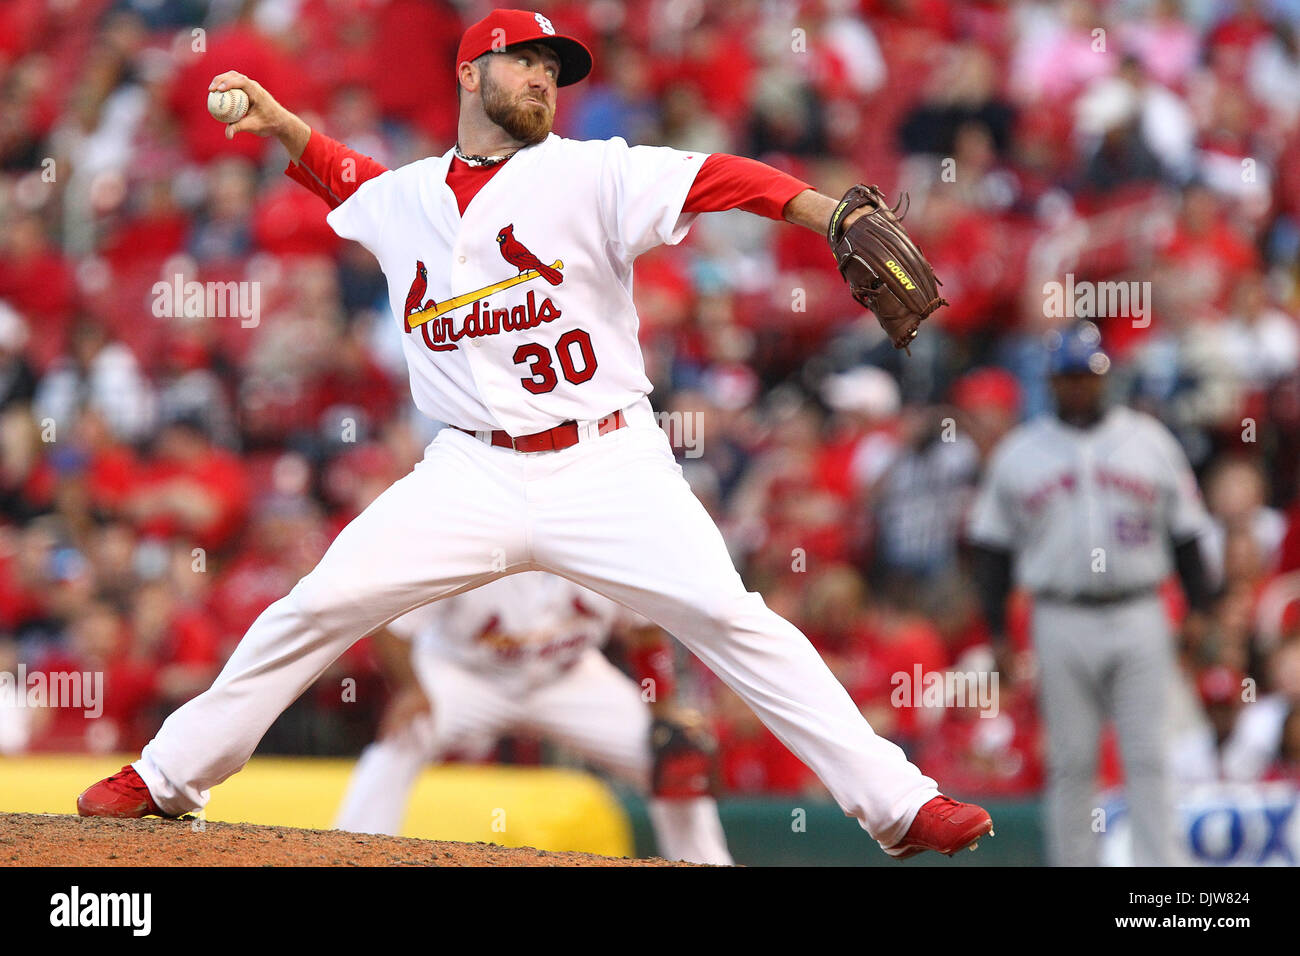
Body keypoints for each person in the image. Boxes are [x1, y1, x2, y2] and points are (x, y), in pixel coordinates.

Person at [77, 8, 991, 860]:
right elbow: (349, 179)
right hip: (470, 469)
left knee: (731, 617)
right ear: (473, 73)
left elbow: (718, 180)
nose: (545, 79)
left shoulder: (591, 172)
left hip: (607, 459)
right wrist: (285, 129)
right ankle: (168, 777)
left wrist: (827, 212)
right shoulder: (411, 195)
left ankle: (897, 805)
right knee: (319, 603)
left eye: (554, 68)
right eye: (526, 62)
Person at [966, 321, 1216, 865]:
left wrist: (1199, 609)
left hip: (1139, 609)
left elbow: (1188, 533)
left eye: (1088, 374)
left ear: (1106, 376)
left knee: (1148, 756)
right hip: (1059, 615)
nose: (1078, 385)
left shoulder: (1149, 441)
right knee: (1071, 761)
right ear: (1051, 381)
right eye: (1068, 376)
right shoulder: (1021, 451)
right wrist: (997, 631)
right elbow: (992, 551)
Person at [333, 571, 732, 865]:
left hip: (569, 676)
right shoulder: (471, 546)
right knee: (404, 739)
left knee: (673, 759)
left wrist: (661, 713)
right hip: (464, 675)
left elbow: (645, 630)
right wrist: (412, 689)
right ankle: (352, 855)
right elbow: (392, 626)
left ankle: (709, 861)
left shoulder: (602, 546)